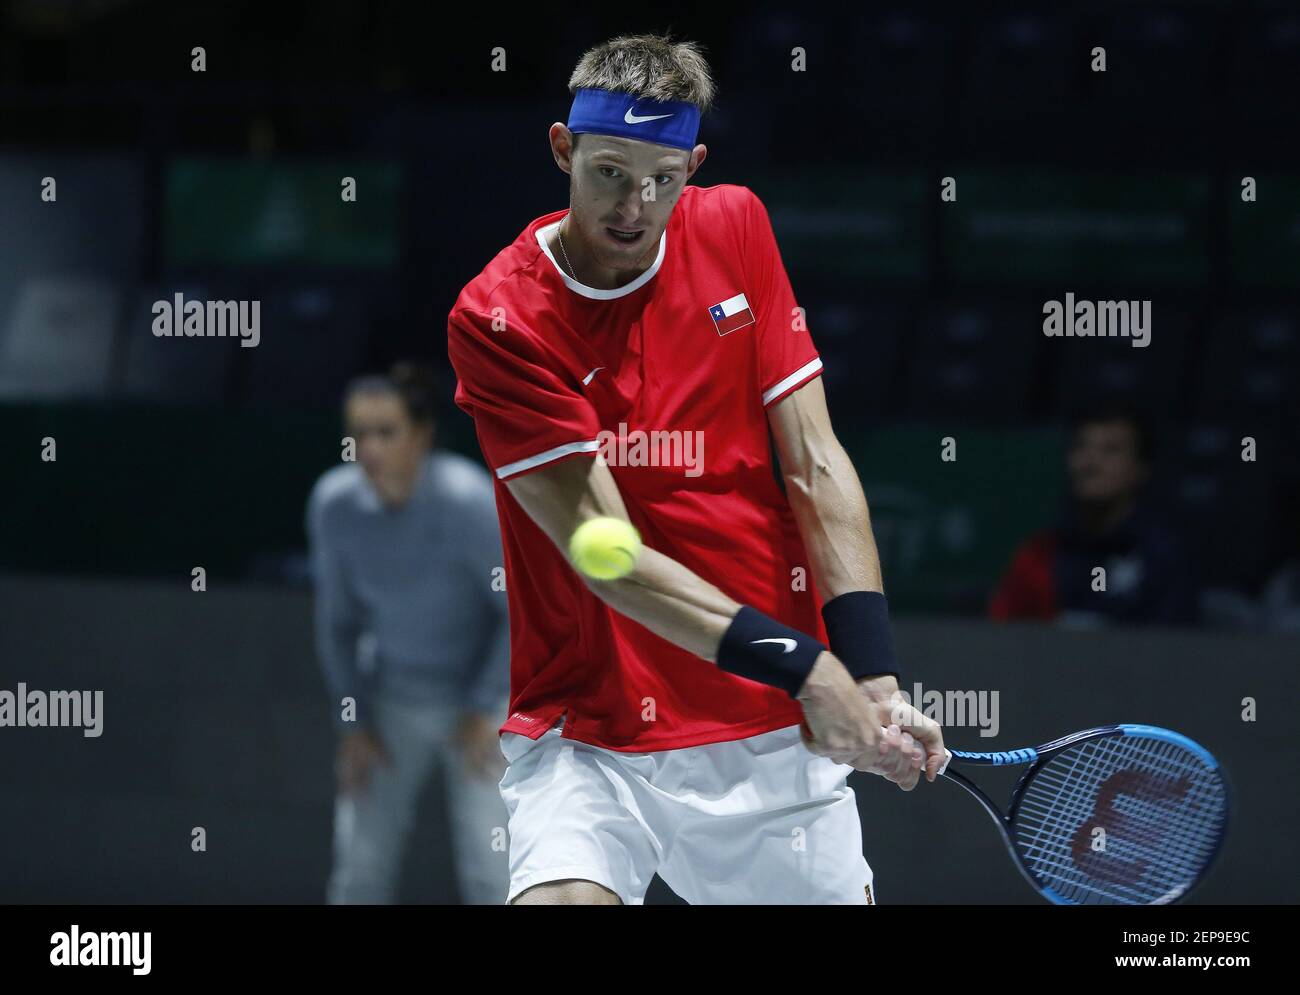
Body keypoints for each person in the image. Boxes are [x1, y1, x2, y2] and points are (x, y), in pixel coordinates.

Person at [446, 33, 945, 907]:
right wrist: (811, 667)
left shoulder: (735, 226)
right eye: (609, 171)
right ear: (563, 149)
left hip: (763, 729)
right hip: (590, 728)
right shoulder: (501, 318)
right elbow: (605, 552)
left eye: (663, 176)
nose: (635, 205)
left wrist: (871, 674)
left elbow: (816, 464)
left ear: (695, 164)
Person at [306, 362, 511, 904]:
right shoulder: (333, 504)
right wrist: (350, 721)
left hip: (483, 708)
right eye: (357, 434)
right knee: (358, 873)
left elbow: (519, 611)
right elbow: (337, 624)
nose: (368, 448)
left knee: (495, 875)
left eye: (385, 432)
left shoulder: (470, 500)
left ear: (421, 435)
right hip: (388, 703)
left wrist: (486, 706)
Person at [990, 407, 1199, 626]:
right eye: (1081, 447)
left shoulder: (1164, 557)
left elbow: (1173, 647)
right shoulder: (1040, 553)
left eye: (1110, 450)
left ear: (1140, 468)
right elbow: (1007, 635)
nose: (1090, 463)